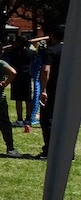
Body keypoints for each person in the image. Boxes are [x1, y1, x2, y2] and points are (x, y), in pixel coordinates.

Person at [39, 25, 64, 160]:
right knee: (66, 120)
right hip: (69, 89)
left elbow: (46, 70)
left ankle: (50, 150)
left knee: (48, 119)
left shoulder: (51, 51)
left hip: (53, 87)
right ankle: (67, 152)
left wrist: (43, 89)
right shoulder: (73, 50)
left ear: (53, 35)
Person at [4, 35, 37, 132]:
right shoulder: (30, 52)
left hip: (16, 75)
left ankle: (19, 119)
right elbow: (35, 53)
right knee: (27, 98)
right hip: (27, 75)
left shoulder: (13, 52)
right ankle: (28, 119)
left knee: (18, 99)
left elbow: (4, 51)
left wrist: (11, 46)